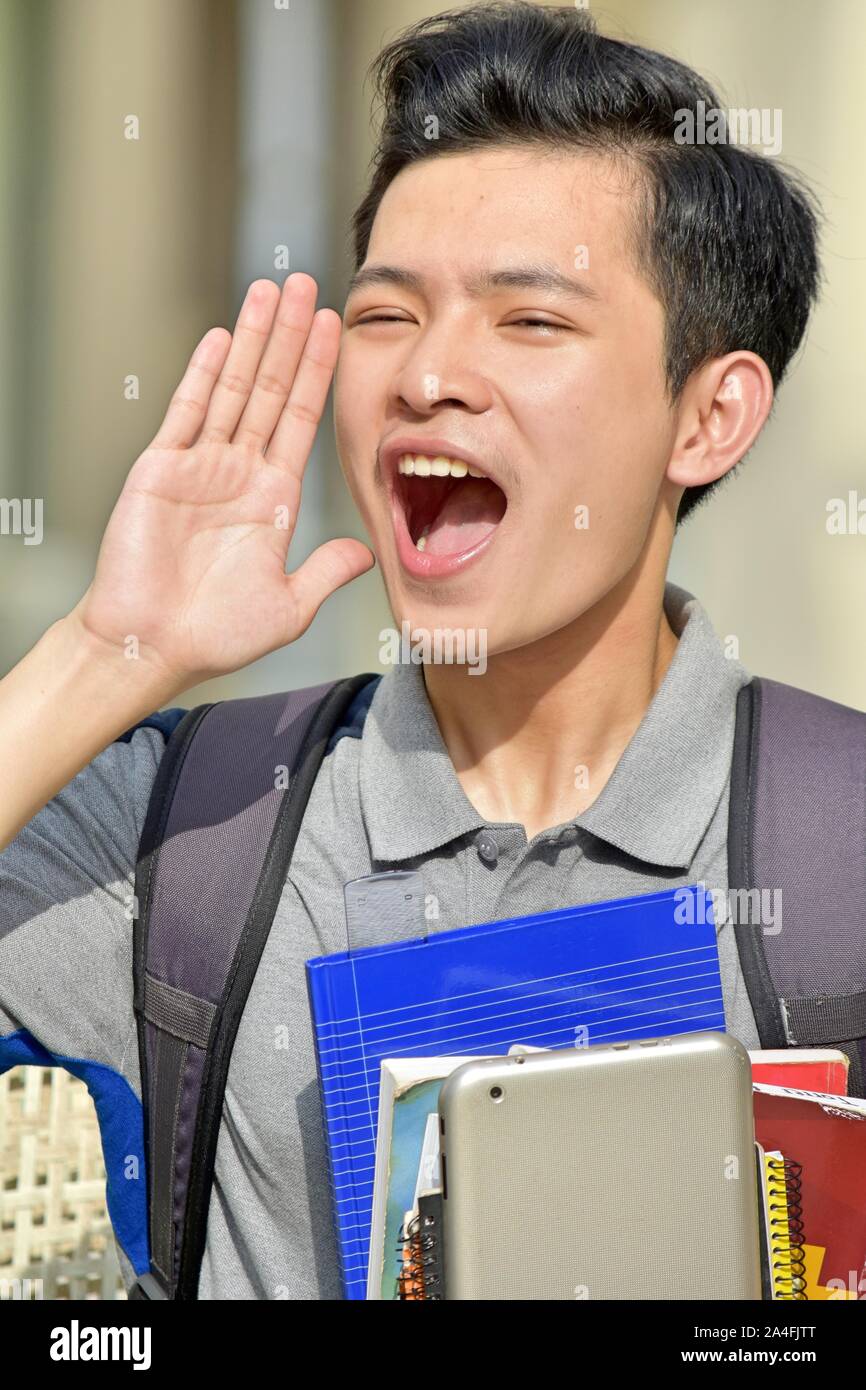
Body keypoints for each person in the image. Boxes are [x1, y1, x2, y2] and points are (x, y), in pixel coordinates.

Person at [0, 2, 826, 1298]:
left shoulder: (839, 845)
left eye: (529, 321)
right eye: (386, 314)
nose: (428, 375)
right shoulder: (187, 837)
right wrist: (109, 652)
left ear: (709, 415)